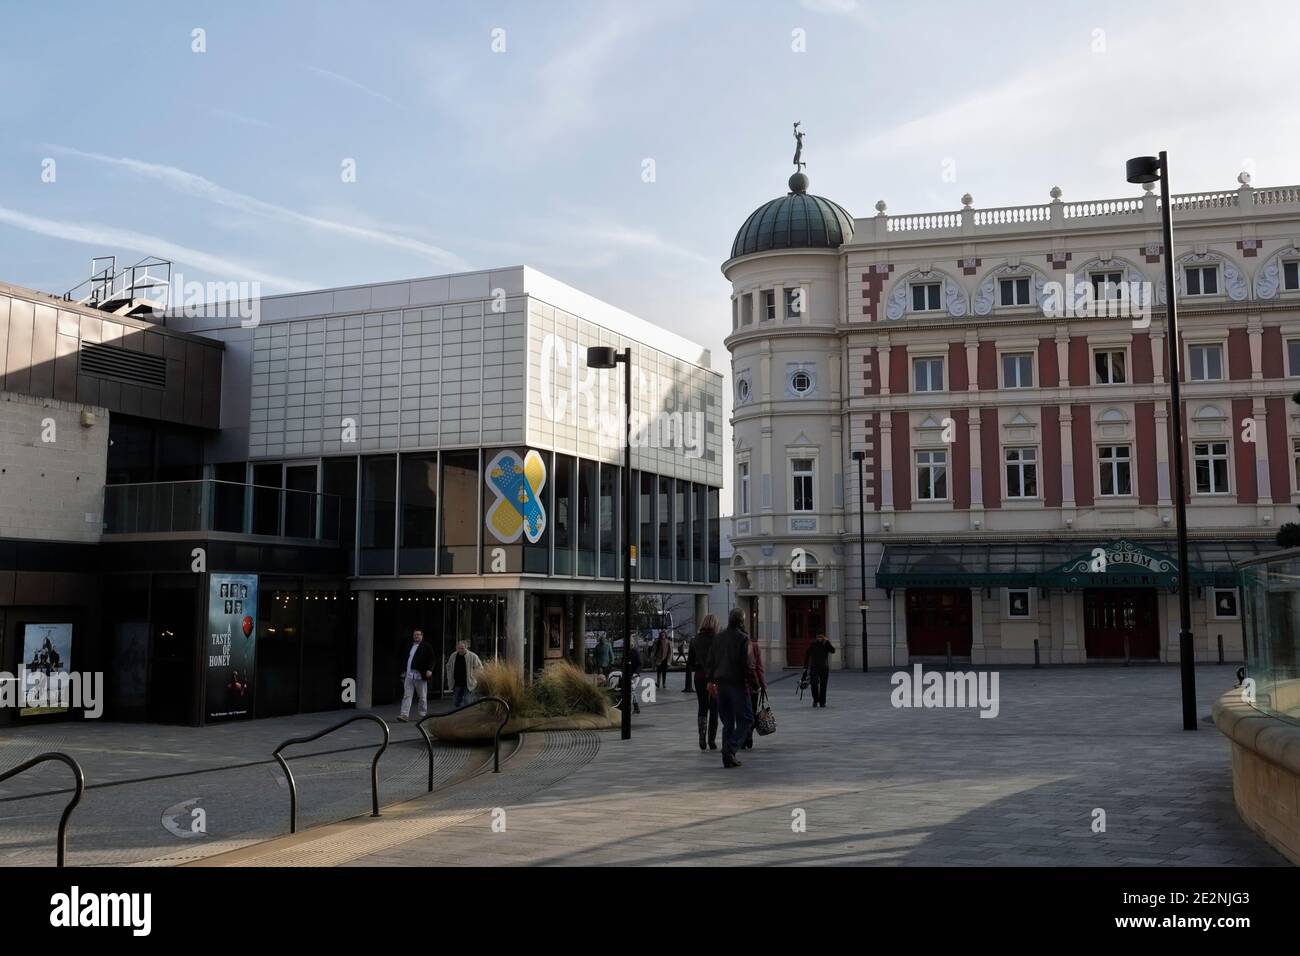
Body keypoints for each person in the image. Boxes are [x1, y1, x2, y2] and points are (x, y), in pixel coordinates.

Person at [707, 608, 755, 768]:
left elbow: (711, 661)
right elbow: (748, 665)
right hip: (737, 684)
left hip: (721, 684)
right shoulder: (743, 639)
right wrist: (753, 683)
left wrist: (711, 680)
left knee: (728, 722)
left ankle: (728, 757)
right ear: (742, 621)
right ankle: (730, 749)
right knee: (747, 718)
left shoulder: (718, 638)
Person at [688, 615, 719, 750]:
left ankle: (702, 735)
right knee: (714, 708)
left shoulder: (694, 640)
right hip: (715, 678)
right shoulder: (718, 640)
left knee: (702, 706)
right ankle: (712, 740)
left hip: (699, 676)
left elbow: (690, 663)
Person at [398, 629, 435, 721]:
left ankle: (422, 715)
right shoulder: (410, 646)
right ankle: (404, 715)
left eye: (418, 635)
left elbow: (432, 659)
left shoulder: (426, 646)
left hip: (420, 675)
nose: (416, 636)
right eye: (415, 635)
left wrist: (430, 670)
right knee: (407, 695)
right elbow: (405, 658)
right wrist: (403, 671)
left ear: (422, 636)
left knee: (422, 696)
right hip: (409, 675)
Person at [742, 628, 767, 750]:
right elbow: (759, 667)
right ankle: (748, 735)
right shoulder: (754, 646)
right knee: (751, 712)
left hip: (741, 686)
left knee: (742, 713)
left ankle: (743, 736)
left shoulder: (736, 646)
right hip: (753, 685)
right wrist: (762, 684)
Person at [445, 640, 484, 708]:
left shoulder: (473, 656)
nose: (460, 650)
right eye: (459, 648)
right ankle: (459, 716)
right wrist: (449, 676)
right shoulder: (453, 655)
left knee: (467, 703)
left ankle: (466, 717)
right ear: (457, 648)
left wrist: (473, 677)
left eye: (462, 648)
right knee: (456, 703)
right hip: (457, 683)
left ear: (466, 648)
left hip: (468, 684)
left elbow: (480, 668)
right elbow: (448, 666)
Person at [804, 632, 836, 708]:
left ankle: (822, 702)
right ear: (816, 637)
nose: (819, 638)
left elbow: (833, 651)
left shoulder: (826, 644)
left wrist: (828, 643)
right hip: (814, 667)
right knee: (814, 684)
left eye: (821, 637)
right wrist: (805, 667)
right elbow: (807, 654)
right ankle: (815, 700)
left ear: (823, 637)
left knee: (823, 685)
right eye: (818, 637)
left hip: (824, 667)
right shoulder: (813, 644)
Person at [626, 640, 642, 714]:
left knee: (631, 691)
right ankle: (636, 708)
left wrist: (636, 672)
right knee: (632, 691)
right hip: (628, 674)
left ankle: (630, 707)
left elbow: (639, 664)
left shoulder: (636, 652)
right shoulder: (626, 651)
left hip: (634, 675)